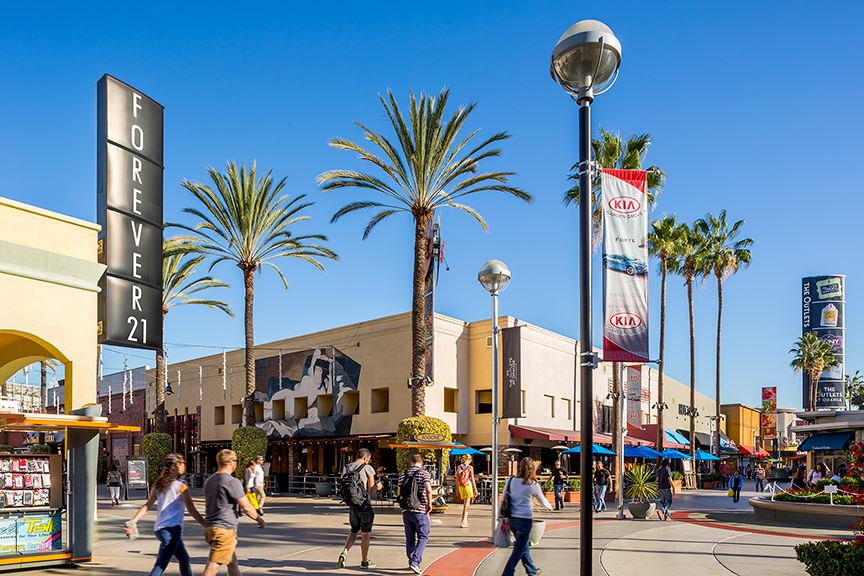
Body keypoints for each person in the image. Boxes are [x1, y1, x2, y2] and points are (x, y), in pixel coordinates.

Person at [125, 454, 205, 576]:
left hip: (160, 529)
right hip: (172, 530)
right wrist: (206, 524)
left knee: (184, 559)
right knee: (160, 566)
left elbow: (147, 505)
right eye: (183, 463)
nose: (185, 465)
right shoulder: (181, 486)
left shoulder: (158, 485)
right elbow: (192, 510)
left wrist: (133, 521)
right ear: (177, 465)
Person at [202, 449, 265, 576]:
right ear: (230, 462)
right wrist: (258, 519)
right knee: (213, 566)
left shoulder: (210, 480)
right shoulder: (232, 481)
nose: (236, 463)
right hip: (224, 529)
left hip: (210, 527)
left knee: (232, 562)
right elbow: (246, 506)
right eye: (235, 461)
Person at [501, 457, 552, 576]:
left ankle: (531, 570)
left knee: (522, 545)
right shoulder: (532, 484)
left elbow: (503, 497)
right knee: (519, 549)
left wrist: (501, 514)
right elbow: (542, 499)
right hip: (525, 519)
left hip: (512, 519)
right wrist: (549, 507)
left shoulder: (511, 480)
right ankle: (507, 573)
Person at [337, 448, 379, 569]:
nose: (369, 461)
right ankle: (364, 561)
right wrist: (378, 486)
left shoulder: (347, 467)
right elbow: (371, 489)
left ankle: (345, 552)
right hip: (364, 504)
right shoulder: (367, 468)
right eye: (369, 459)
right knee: (365, 533)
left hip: (352, 504)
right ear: (365, 458)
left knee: (354, 530)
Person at [398, 454, 432, 574]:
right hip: (420, 509)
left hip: (406, 510)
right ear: (421, 462)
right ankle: (415, 561)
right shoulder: (424, 473)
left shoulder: (403, 474)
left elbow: (399, 492)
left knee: (410, 537)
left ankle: (411, 559)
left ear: (411, 462)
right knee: (423, 535)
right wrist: (429, 503)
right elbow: (428, 489)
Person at [455, 454, 477, 528]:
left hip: (461, 486)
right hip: (467, 485)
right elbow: (472, 479)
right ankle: (463, 521)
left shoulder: (459, 467)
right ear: (469, 460)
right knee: (466, 505)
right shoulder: (470, 467)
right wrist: (475, 489)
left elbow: (457, 479)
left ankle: (465, 521)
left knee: (465, 504)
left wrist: (457, 489)